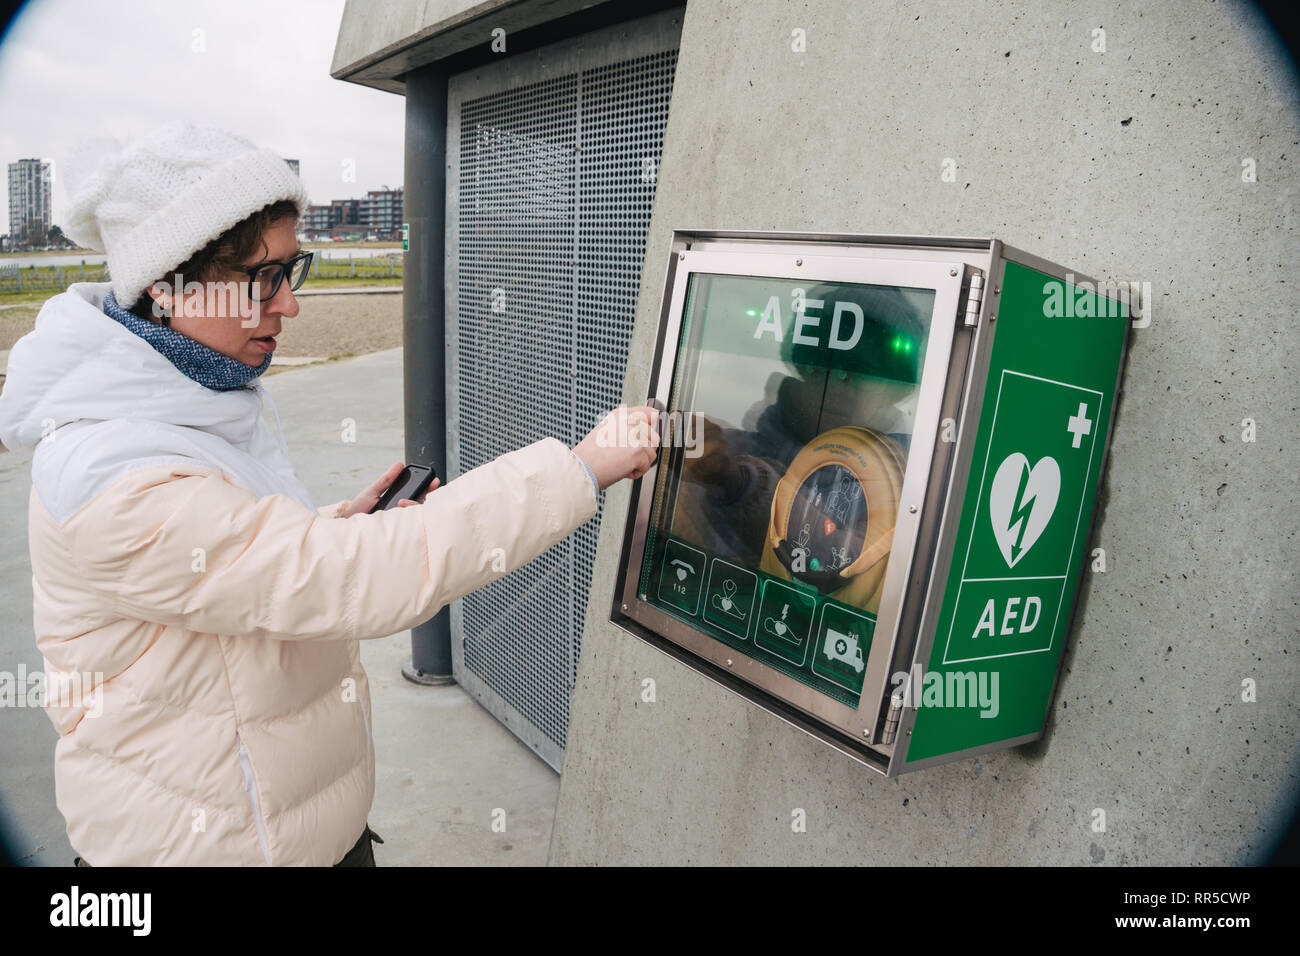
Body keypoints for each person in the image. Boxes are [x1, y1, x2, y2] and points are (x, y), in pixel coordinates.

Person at [0, 122, 658, 866]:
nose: (290, 306)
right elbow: (347, 578)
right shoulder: (111, 471)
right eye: (262, 278)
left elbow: (232, 562)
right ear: (167, 285)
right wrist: (579, 471)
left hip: (285, 826)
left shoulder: (180, 399)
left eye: (293, 270)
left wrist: (331, 523)